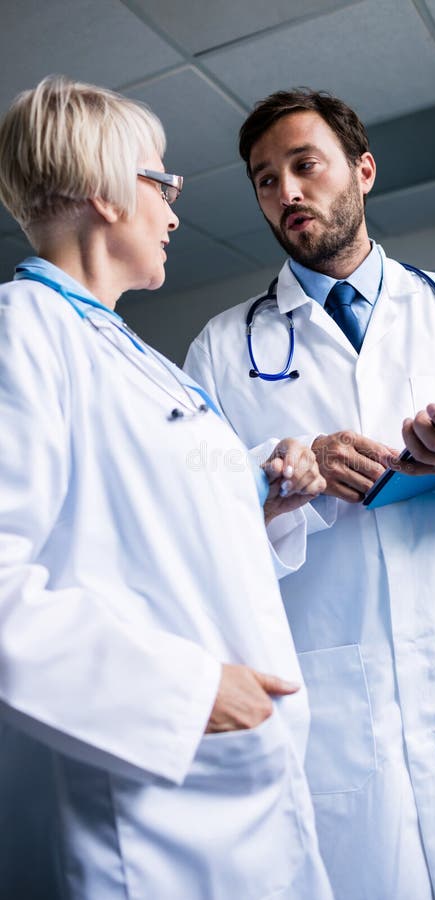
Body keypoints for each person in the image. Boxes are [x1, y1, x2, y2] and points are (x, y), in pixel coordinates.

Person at [184, 89, 435, 899]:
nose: (287, 191)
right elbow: (191, 506)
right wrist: (284, 470)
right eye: (265, 179)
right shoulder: (225, 348)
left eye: (306, 165)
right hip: (336, 679)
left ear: (363, 171)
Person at [0, 76, 334, 900]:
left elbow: (146, 531)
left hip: (233, 781)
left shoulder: (130, 353)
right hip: (142, 804)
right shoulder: (21, 333)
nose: (174, 213)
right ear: (106, 191)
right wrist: (182, 694)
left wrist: (262, 495)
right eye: (162, 183)